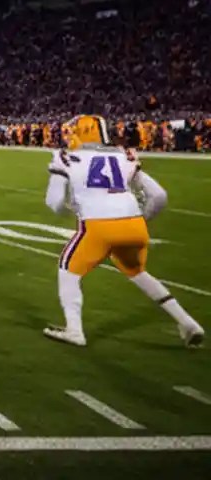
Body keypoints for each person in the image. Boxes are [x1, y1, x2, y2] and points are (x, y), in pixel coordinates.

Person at [43, 115, 203, 348]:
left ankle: (74, 330)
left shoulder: (66, 157)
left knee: (67, 270)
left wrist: (73, 208)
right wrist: (140, 218)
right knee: (138, 273)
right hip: (134, 226)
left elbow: (54, 202)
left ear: (81, 132)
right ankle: (188, 323)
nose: (68, 136)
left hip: (97, 227)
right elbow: (159, 196)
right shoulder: (124, 155)